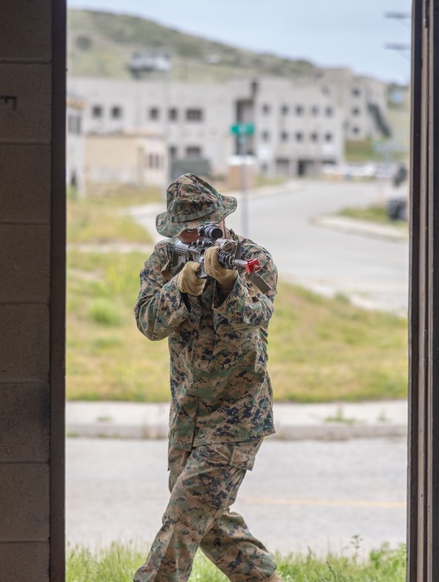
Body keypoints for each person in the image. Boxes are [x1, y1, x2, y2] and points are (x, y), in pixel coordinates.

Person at [133, 173, 283, 582]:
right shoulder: (164, 261)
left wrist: (229, 281)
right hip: (188, 417)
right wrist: (179, 288)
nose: (200, 237)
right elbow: (148, 322)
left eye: (208, 229)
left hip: (236, 417)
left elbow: (256, 316)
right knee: (209, 522)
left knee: (183, 520)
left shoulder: (253, 259)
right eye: (190, 231)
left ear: (222, 221)